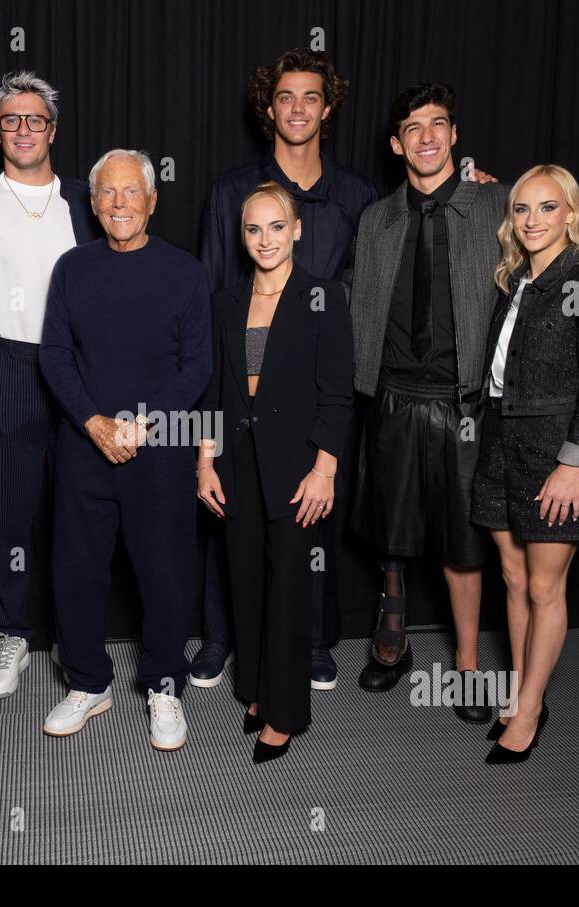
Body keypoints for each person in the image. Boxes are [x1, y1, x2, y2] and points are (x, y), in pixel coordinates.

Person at [194, 48, 376, 692]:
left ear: (328, 109)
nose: (297, 109)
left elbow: (377, 282)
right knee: (232, 520)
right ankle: (223, 637)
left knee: (309, 519)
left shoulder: (357, 195)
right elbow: (213, 293)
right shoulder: (230, 191)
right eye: (285, 97)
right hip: (240, 385)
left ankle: (312, 639)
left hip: (316, 390)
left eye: (311, 98)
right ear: (267, 108)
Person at [346, 84, 510, 720]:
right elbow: (351, 294)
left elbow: (557, 253)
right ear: (397, 144)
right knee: (390, 528)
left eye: (437, 124)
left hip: (463, 401)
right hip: (391, 393)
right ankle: (392, 637)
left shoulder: (497, 202)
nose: (426, 137)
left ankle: (467, 666)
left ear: (454, 134)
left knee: (463, 543)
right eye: (412, 128)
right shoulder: (376, 219)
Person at [39, 149, 211, 751]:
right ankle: (88, 682)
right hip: (85, 443)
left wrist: (141, 424)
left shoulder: (185, 272)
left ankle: (164, 684)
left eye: (130, 192)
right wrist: (92, 422)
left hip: (158, 447)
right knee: (76, 570)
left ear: (152, 200)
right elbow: (54, 355)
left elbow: (198, 366)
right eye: (107, 194)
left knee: (163, 572)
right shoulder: (71, 268)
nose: (118, 204)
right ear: (93, 204)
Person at [0, 71, 100, 698]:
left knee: (79, 511)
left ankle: (74, 632)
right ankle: (11, 632)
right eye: (12, 120)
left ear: (53, 130)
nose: (24, 129)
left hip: (77, 372)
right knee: (7, 512)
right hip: (5, 367)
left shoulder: (87, 202)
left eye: (35, 119)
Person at [196, 182, 353, 763]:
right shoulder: (225, 302)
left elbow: (337, 395)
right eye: (254, 229)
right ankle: (258, 692)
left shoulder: (323, 297)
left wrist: (325, 471)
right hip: (236, 465)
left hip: (297, 469)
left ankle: (285, 715)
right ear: (242, 237)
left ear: (297, 230)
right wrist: (204, 461)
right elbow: (213, 392)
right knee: (246, 580)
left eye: (276, 227)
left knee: (289, 588)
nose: (265, 239)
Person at [472, 164, 579, 763]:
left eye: (548, 208)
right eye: (521, 209)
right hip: (500, 441)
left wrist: (573, 463)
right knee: (511, 578)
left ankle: (530, 709)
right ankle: (518, 693)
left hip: (556, 452)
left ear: (571, 214)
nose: (533, 221)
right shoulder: (514, 280)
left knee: (543, 584)